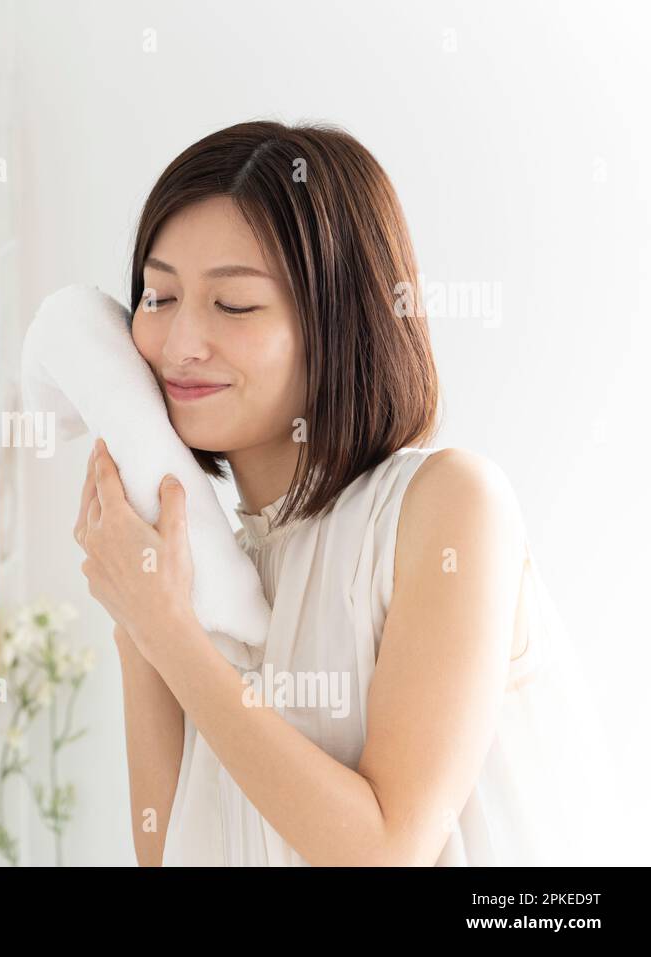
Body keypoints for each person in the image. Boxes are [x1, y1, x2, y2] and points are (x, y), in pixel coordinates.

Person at [72, 120, 622, 866]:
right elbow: (172, 853)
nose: (179, 343)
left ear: (340, 320)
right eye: (158, 295)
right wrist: (140, 631)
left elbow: (385, 850)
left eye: (233, 305)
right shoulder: (206, 575)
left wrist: (168, 633)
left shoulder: (448, 506)